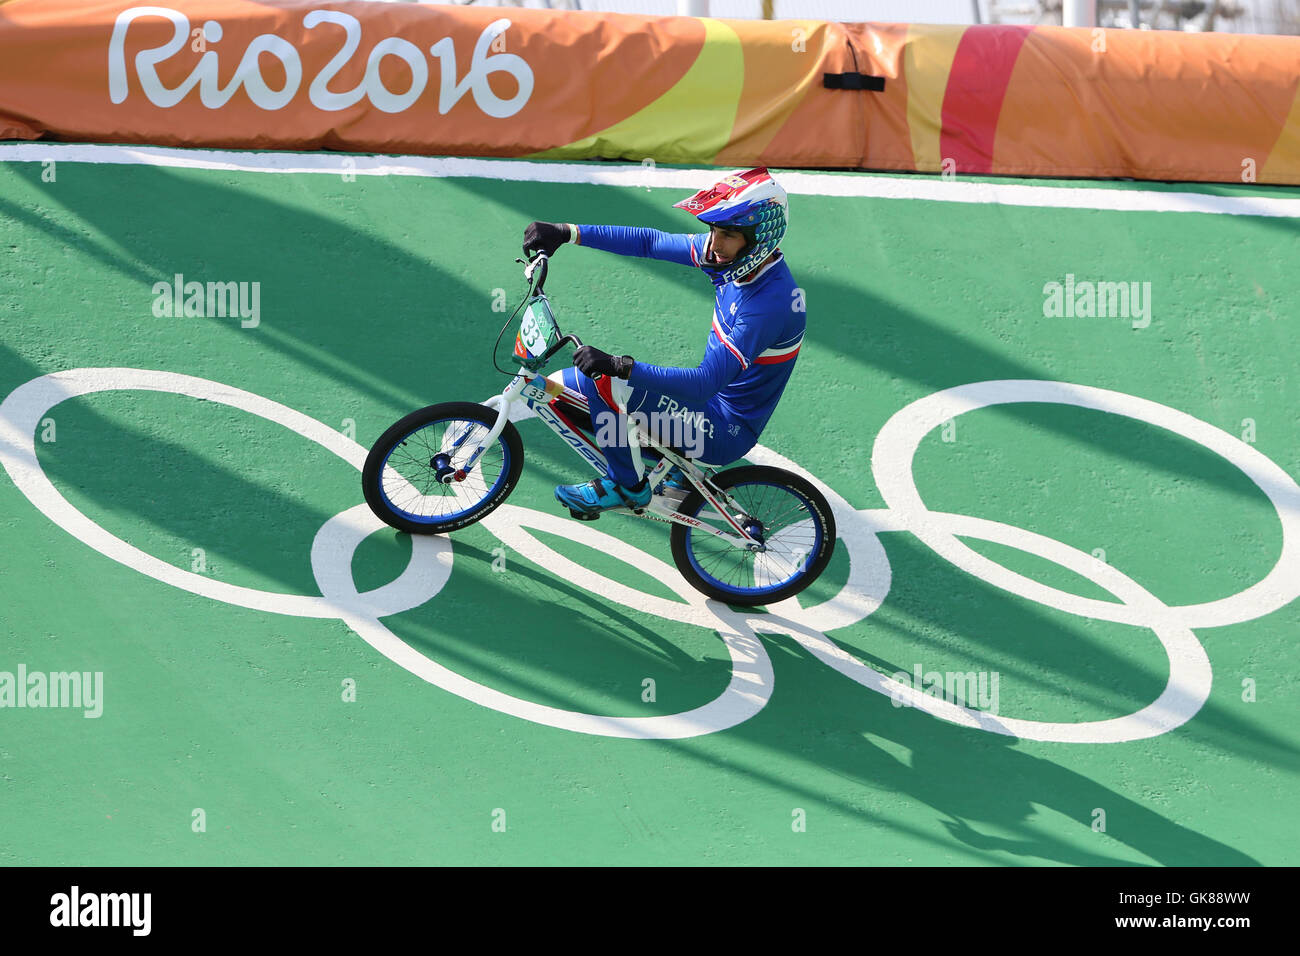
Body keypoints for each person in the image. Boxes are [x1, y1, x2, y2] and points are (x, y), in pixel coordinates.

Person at [522, 167, 804, 517]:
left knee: (605, 380)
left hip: (720, 429)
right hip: (703, 411)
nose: (714, 245)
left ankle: (626, 486)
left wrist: (620, 366)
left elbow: (703, 385)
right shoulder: (737, 260)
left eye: (728, 234)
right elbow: (649, 242)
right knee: (566, 390)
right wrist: (566, 232)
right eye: (713, 230)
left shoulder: (766, 306)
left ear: (760, 237)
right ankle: (667, 464)